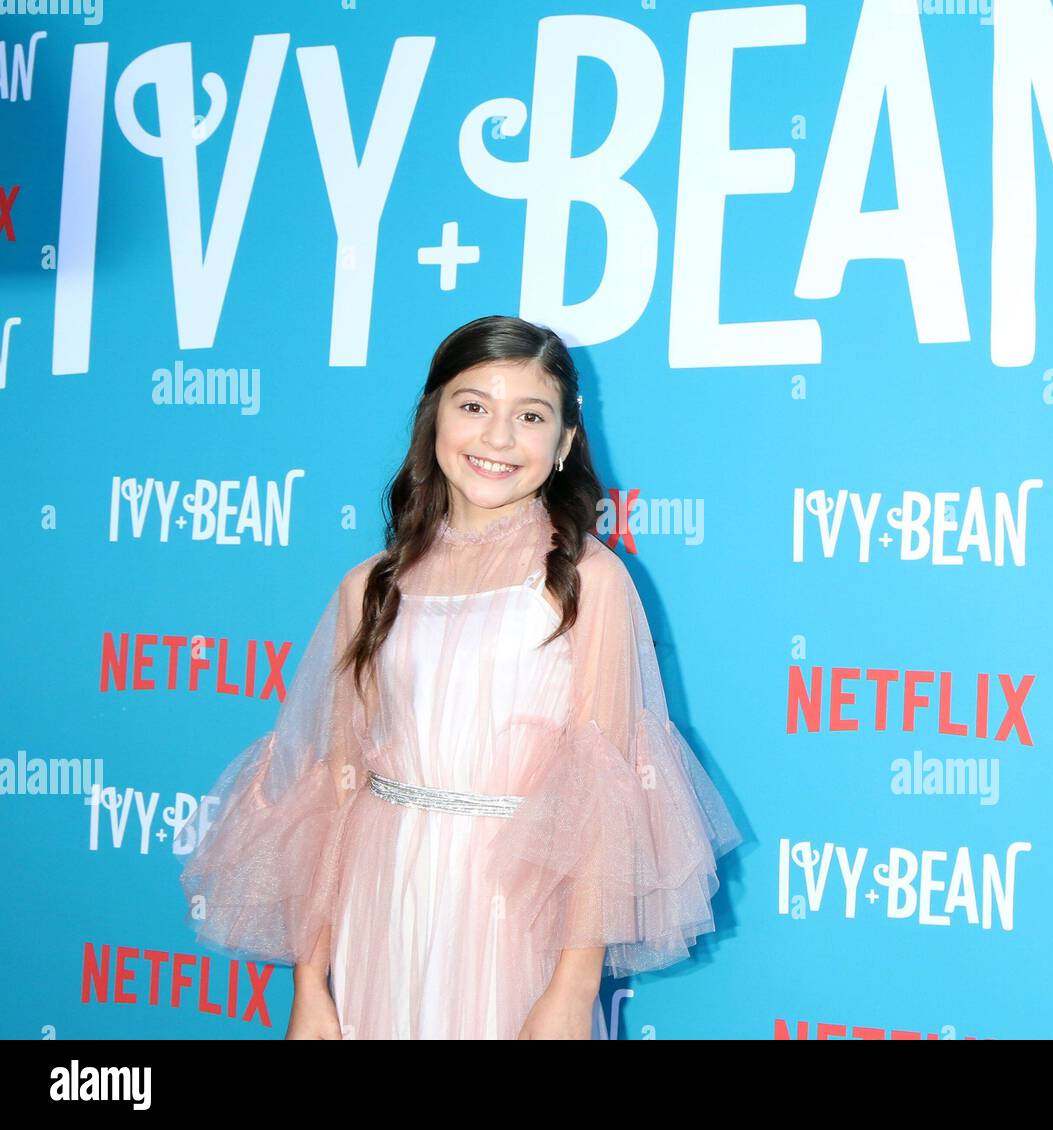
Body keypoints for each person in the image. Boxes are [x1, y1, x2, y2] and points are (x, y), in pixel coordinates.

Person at [175, 314, 743, 1039]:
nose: (498, 438)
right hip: (378, 908)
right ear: (433, 417)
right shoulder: (370, 586)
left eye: (530, 416)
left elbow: (607, 796)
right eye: (473, 405)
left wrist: (571, 992)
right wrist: (312, 983)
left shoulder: (585, 580)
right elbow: (332, 793)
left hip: (514, 921)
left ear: (565, 441)